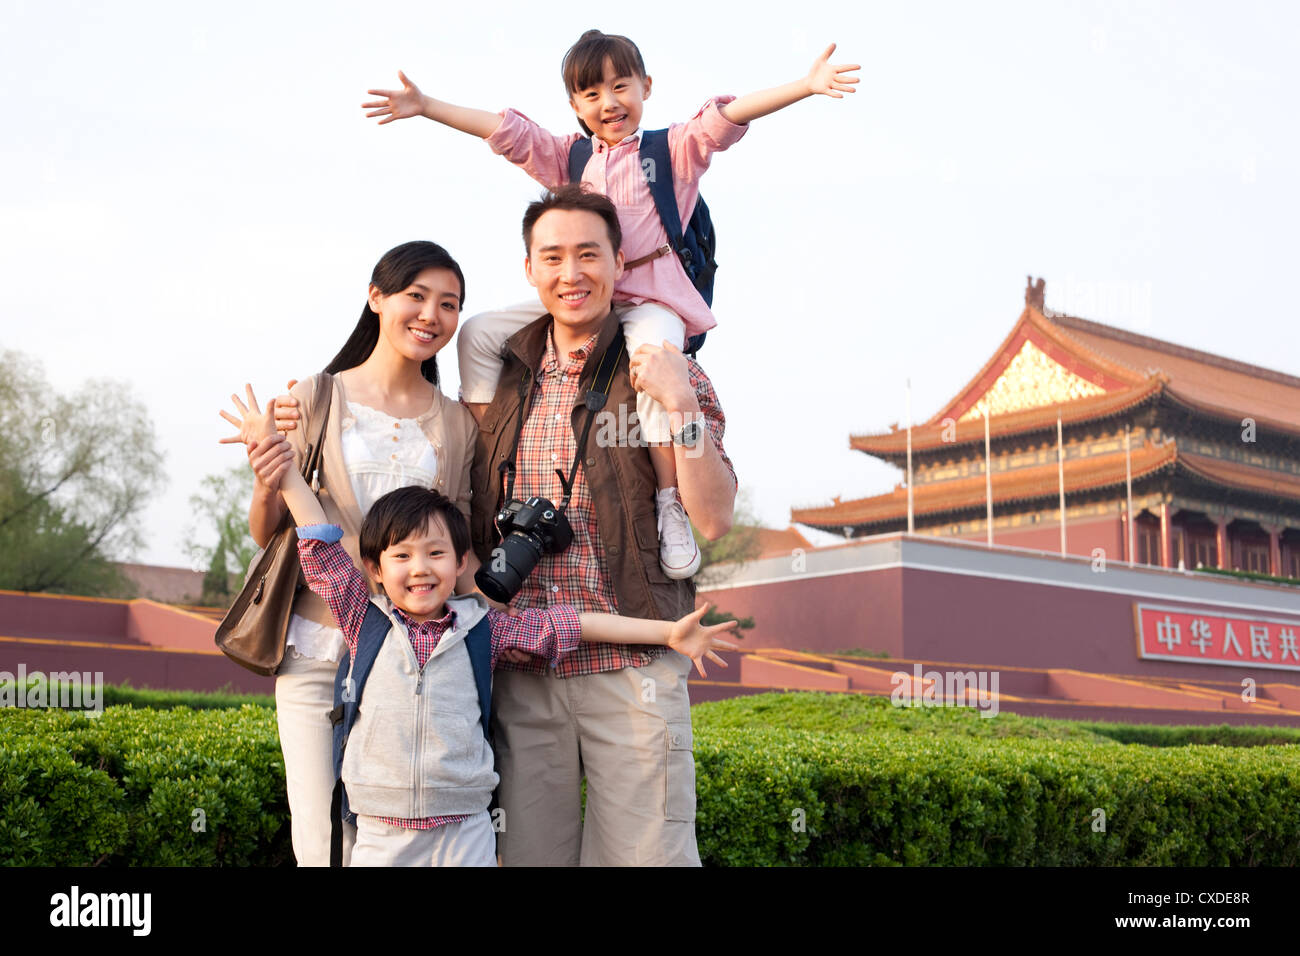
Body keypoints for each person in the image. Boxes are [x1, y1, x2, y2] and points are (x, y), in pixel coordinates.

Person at [362, 29, 858, 581]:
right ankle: (487, 462)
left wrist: (807, 86)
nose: (609, 103)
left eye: (621, 87)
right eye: (592, 94)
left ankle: (669, 502)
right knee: (479, 331)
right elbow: (506, 131)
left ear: (646, 87)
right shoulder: (570, 158)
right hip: (581, 296)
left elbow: (728, 115)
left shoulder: (669, 151)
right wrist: (426, 106)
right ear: (575, 105)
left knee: (654, 368)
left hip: (650, 296)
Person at [222, 387, 739, 866]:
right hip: (381, 832)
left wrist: (668, 633)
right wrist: (280, 464)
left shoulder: (483, 629)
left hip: (465, 833)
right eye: (401, 555)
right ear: (375, 569)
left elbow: (574, 625)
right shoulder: (363, 618)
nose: (420, 568)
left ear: (462, 560)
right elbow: (316, 538)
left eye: (435, 553)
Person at [467, 184, 738, 866]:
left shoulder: (667, 364)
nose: (571, 273)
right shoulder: (501, 374)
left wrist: (679, 404)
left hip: (634, 668)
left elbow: (714, 518)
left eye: (589, 254)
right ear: (529, 269)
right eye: (552, 256)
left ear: (620, 263)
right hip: (523, 671)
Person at [219, 240, 479, 867]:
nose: (430, 315)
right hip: (314, 648)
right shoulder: (316, 395)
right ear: (377, 298)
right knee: (319, 838)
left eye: (448, 304)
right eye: (416, 296)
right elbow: (268, 532)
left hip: (403, 661)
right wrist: (266, 475)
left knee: (382, 838)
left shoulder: (456, 422)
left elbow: (458, 545)